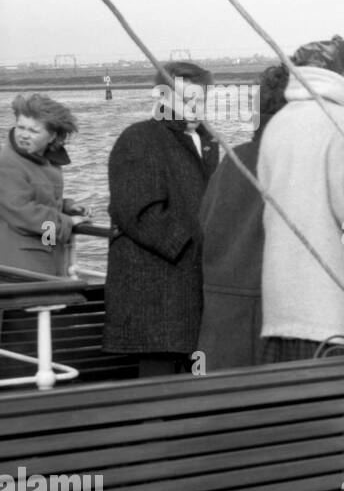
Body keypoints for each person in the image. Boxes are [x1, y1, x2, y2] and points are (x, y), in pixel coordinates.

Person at [257, 35, 344, 363]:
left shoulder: (278, 124)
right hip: (331, 311)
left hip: (280, 305)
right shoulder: (342, 124)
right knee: (338, 408)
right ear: (343, 73)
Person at [104, 62, 219, 376]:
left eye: (201, 99)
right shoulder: (139, 138)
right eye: (186, 99)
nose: (195, 107)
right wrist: (193, 245)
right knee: (158, 379)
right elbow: (137, 211)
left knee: (187, 375)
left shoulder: (208, 142)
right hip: (155, 288)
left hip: (189, 283)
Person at [194, 64, 289, 370]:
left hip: (221, 315)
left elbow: (205, 228)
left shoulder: (233, 161)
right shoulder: (291, 161)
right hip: (267, 319)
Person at [0, 94, 87, 276]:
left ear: (52, 136)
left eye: (33, 131)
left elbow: (37, 198)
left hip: (47, 256)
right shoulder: (6, 163)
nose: (24, 135)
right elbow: (22, 212)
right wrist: (67, 222)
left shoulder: (46, 161)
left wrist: (66, 207)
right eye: (20, 127)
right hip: (19, 267)